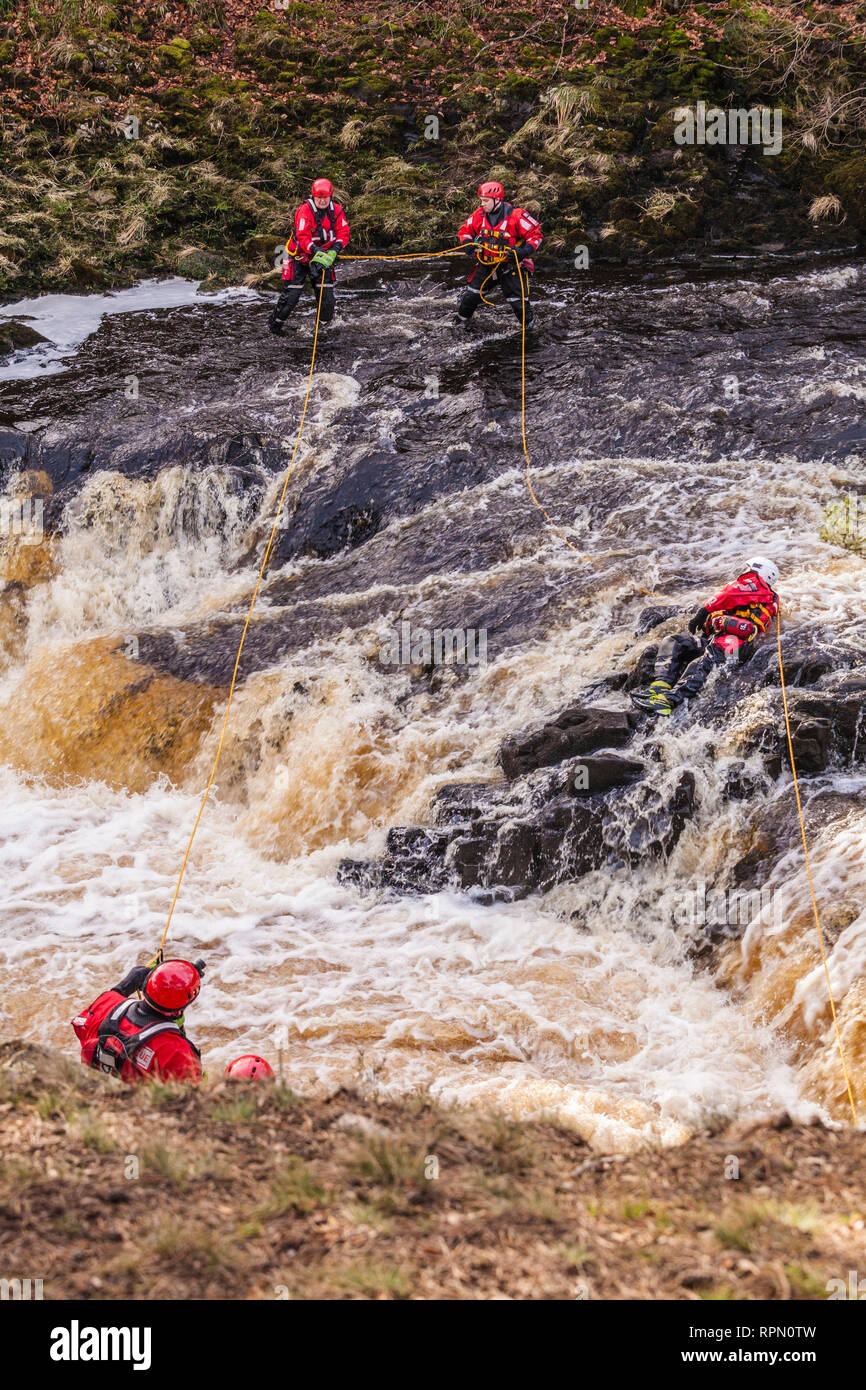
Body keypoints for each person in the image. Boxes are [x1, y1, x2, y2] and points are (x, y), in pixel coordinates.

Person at [630, 557, 780, 717]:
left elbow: (729, 593)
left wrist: (704, 611)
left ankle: (667, 701)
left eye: (748, 568)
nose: (744, 572)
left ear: (758, 570)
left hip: (733, 644)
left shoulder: (755, 584)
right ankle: (660, 684)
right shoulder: (761, 596)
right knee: (674, 641)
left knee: (700, 664)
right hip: (720, 640)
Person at [72, 958, 205, 1084]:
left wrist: (125, 985)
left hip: (93, 1091)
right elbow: (193, 1095)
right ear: (179, 1011)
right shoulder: (175, 1051)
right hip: (134, 1105)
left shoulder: (107, 1003)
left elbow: (83, 1030)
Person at [455, 180, 543, 330]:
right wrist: (468, 245)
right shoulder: (479, 215)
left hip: (511, 266)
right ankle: (459, 325)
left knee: (519, 305)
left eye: (486, 201)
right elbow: (465, 232)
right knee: (470, 298)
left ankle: (530, 330)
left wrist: (523, 252)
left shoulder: (516, 215)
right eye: (481, 201)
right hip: (487, 266)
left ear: (497, 200)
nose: (482, 204)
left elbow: (536, 236)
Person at [269, 177, 350, 335]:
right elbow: (302, 237)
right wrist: (315, 251)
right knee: (290, 298)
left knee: (327, 300)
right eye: (319, 198)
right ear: (313, 197)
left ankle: (325, 328)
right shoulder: (305, 211)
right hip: (298, 258)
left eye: (325, 197)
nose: (322, 201)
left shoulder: (337, 211)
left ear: (330, 196)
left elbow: (344, 234)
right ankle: (274, 328)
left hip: (323, 259)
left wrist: (334, 250)